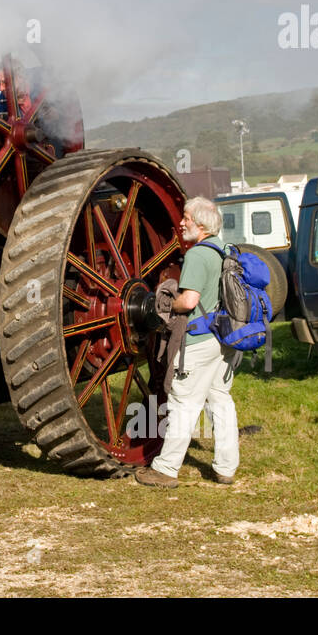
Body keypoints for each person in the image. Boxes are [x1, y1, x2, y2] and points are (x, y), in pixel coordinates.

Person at [135, 196, 240, 488]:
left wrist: (169, 302)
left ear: (202, 223)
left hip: (198, 340)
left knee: (183, 403)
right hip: (224, 338)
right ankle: (226, 468)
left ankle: (166, 469)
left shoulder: (197, 255)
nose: (181, 223)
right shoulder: (225, 250)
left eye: (187, 218)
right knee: (221, 400)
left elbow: (190, 300)